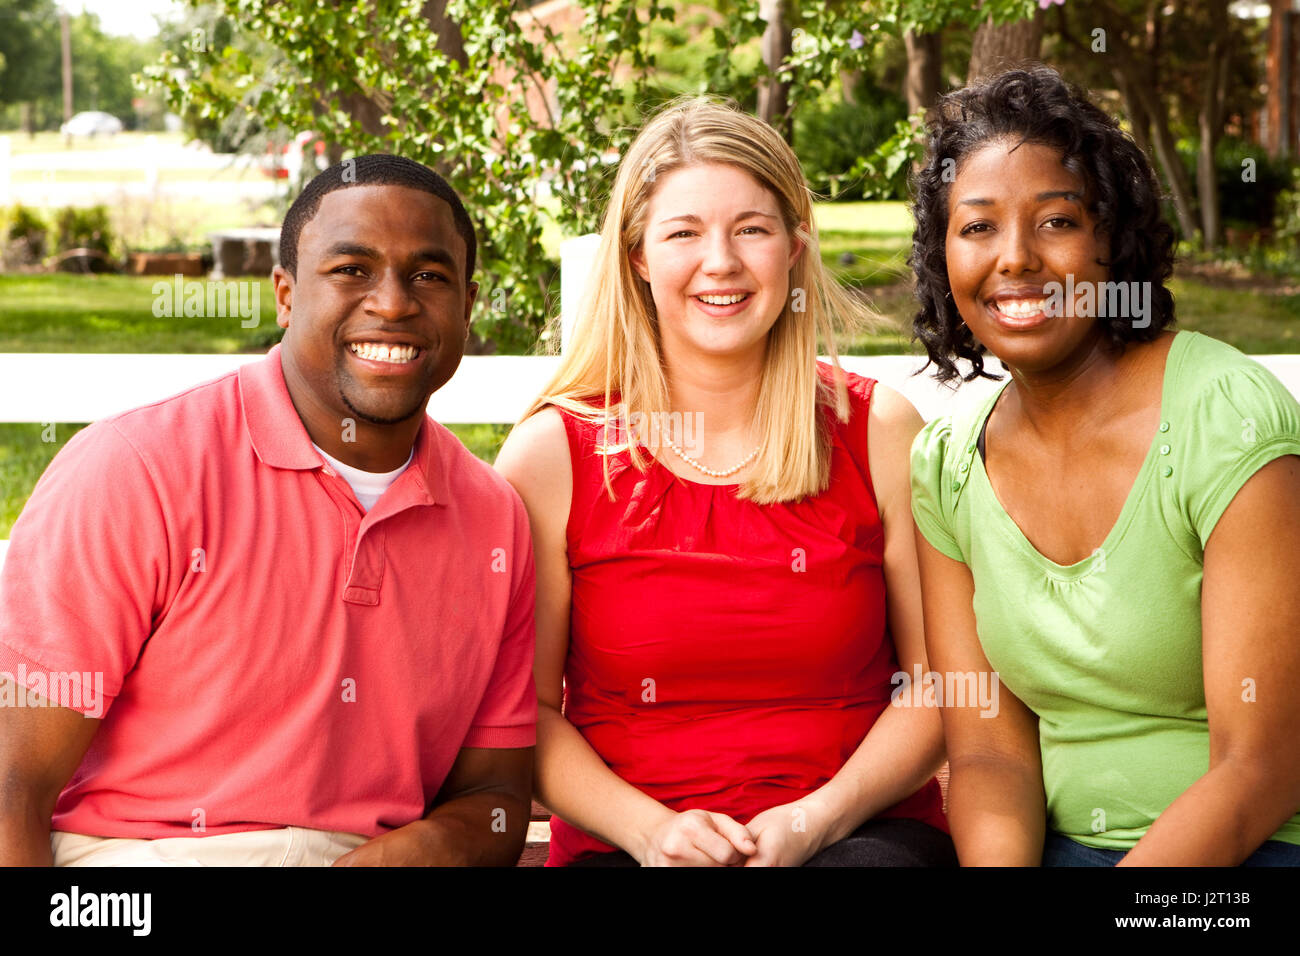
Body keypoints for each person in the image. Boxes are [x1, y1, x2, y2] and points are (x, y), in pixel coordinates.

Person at [0, 154, 537, 867]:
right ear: (285, 296)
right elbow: (13, 785)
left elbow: (497, 798)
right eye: (351, 269)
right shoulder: (138, 467)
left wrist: (417, 851)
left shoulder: (494, 519)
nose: (394, 302)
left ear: (467, 306)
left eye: (429, 276)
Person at [494, 97, 953, 867]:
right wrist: (652, 833)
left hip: (856, 837)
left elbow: (939, 689)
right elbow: (528, 714)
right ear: (638, 255)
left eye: (752, 229)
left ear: (793, 249)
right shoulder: (553, 458)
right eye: (684, 233)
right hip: (630, 847)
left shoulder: (878, 433)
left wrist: (812, 821)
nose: (722, 262)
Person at [908, 66, 1300, 866]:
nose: (1015, 259)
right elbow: (987, 754)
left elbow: (1263, 767)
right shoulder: (948, 466)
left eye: (1056, 221)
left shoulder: (1223, 419)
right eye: (978, 228)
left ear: (1112, 240)